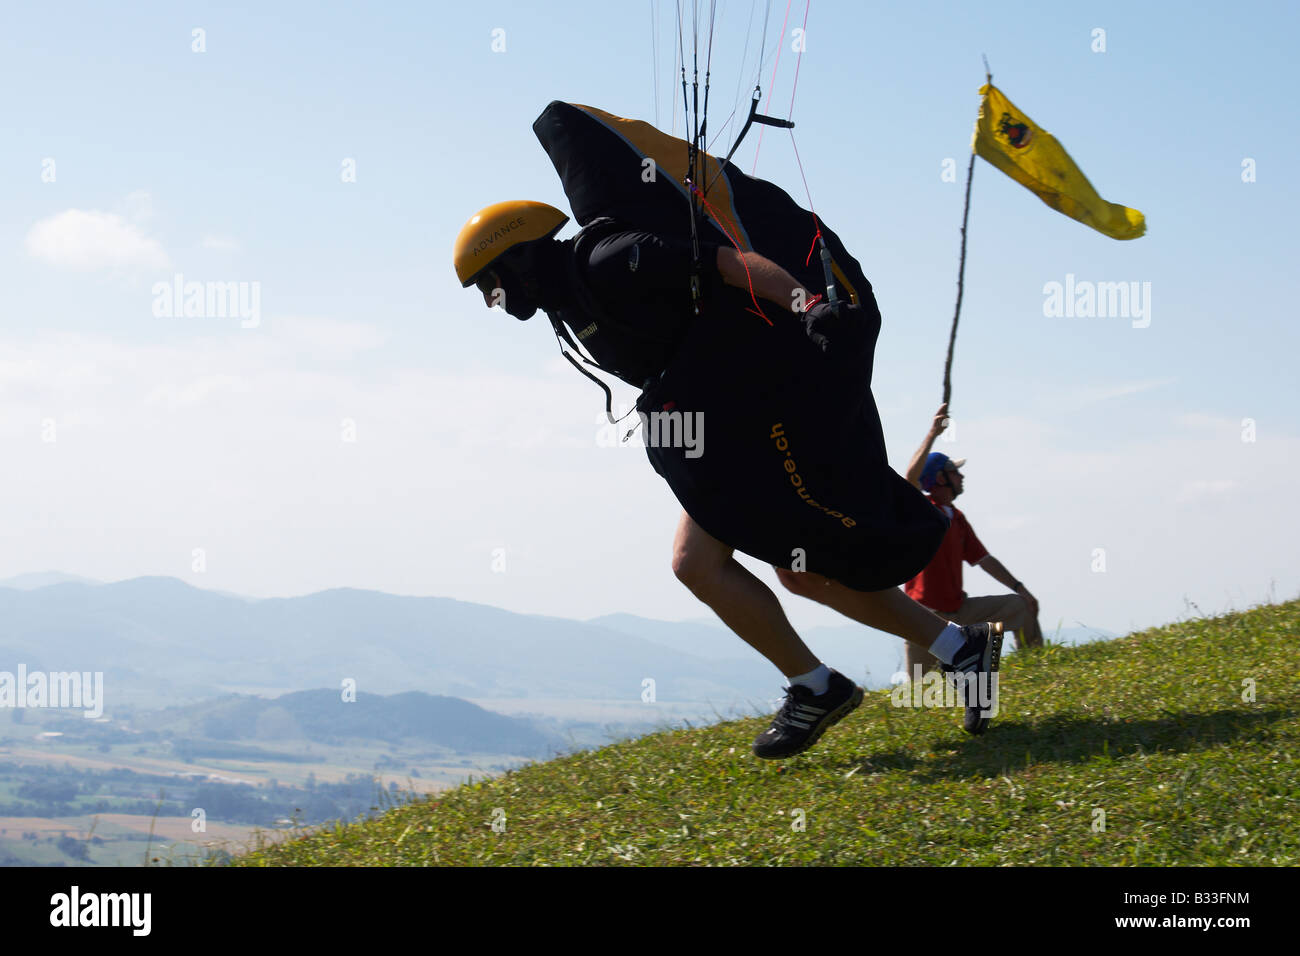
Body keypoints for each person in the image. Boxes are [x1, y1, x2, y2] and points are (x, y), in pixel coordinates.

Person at [454, 200, 1004, 757]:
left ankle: (825, 685)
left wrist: (807, 304)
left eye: (488, 283)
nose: (489, 300)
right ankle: (945, 653)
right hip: (724, 430)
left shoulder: (607, 259)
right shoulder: (567, 297)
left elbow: (729, 263)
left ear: (518, 258)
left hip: (760, 411)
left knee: (713, 565)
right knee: (786, 572)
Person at [902, 404, 1042, 731]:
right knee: (920, 695)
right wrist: (932, 434)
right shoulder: (921, 509)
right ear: (940, 478)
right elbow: (909, 480)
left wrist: (1021, 589)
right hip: (923, 616)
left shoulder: (958, 518)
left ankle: (1036, 669)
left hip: (961, 609)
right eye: (955, 470)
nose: (961, 476)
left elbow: (984, 559)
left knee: (1021, 608)